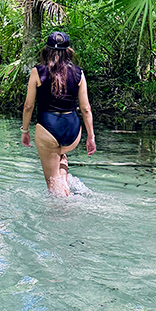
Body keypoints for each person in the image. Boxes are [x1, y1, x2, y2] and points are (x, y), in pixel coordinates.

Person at [21, 31, 96, 195]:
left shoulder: (37, 71)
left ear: (46, 50)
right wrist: (90, 137)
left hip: (48, 128)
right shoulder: (78, 73)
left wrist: (25, 130)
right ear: (68, 51)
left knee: (52, 186)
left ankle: (61, 213)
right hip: (73, 130)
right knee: (61, 155)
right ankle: (63, 178)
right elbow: (86, 109)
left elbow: (28, 106)